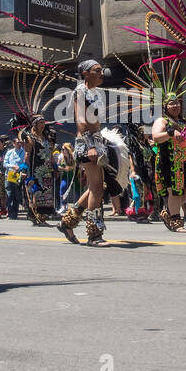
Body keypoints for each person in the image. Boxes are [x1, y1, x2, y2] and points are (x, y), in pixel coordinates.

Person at [60, 60, 111, 245]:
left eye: (102, 70)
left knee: (94, 187)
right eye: (97, 70)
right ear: (85, 73)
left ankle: (67, 222)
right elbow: (81, 121)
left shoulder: (95, 93)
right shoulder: (80, 91)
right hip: (87, 143)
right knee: (97, 188)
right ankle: (94, 234)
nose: (102, 73)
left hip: (96, 143)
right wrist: (90, 145)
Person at [151, 91, 186, 232]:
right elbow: (156, 137)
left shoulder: (183, 122)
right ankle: (175, 221)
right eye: (171, 103)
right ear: (165, 106)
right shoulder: (162, 121)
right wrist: (170, 133)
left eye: (177, 103)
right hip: (169, 162)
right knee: (174, 192)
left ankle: (168, 212)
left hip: (185, 162)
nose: (175, 105)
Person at [3, 138, 26, 220]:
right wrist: (12, 166)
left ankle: (15, 214)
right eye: (17, 143)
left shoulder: (24, 152)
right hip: (9, 174)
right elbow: (5, 164)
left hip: (18, 175)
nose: (19, 144)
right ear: (13, 143)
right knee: (9, 194)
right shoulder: (9, 152)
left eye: (20, 143)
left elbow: (25, 163)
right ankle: (10, 213)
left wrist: (19, 167)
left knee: (16, 194)